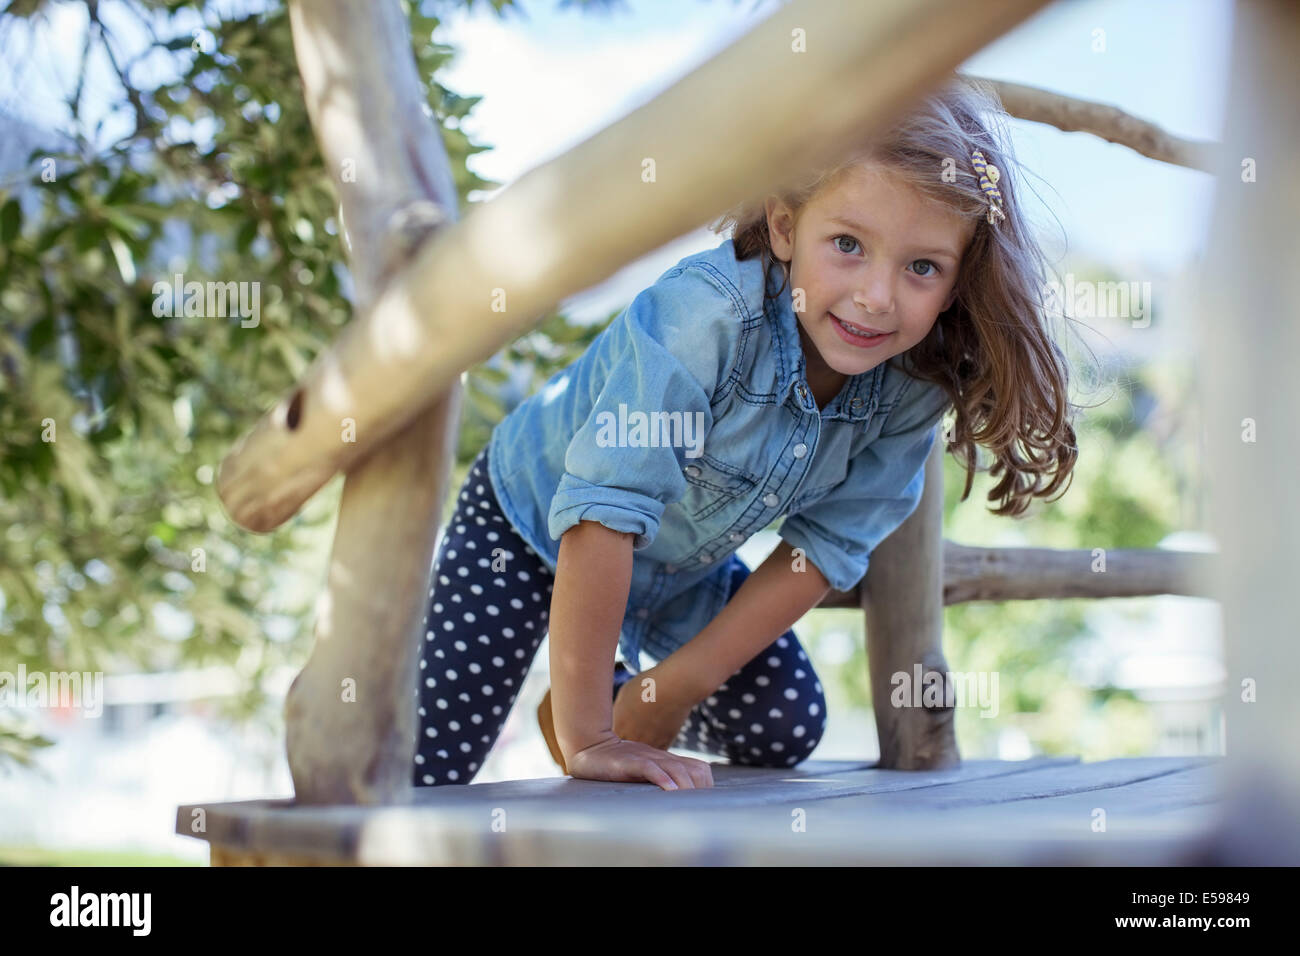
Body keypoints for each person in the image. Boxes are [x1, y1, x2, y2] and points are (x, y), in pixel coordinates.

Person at [412, 73, 1079, 791]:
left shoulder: (913, 386)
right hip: (528, 526)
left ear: (958, 277)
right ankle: (548, 704)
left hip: (676, 569)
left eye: (922, 266)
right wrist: (592, 738)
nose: (877, 297)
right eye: (848, 244)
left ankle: (604, 691)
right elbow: (604, 510)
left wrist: (663, 693)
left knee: (785, 722)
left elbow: (824, 548)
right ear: (786, 224)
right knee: (426, 764)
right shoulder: (706, 318)